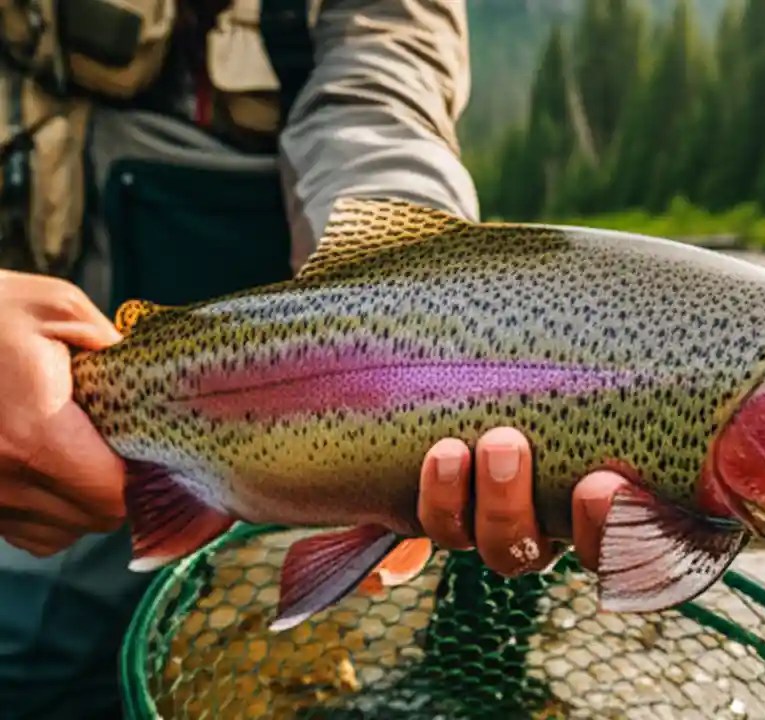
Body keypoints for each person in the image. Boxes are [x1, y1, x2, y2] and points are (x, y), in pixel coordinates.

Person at [0, 2, 624, 717]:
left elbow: (382, 81)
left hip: (326, 364)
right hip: (42, 322)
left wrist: (421, 301)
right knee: (32, 658)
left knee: (302, 673)